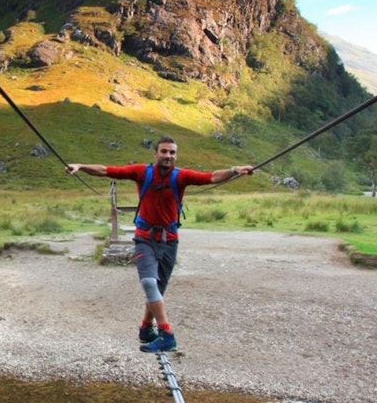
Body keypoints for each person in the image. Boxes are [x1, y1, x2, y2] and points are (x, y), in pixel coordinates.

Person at [65, 136, 254, 353]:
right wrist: (80, 166)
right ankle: (167, 334)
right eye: (164, 152)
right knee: (148, 282)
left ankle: (146, 328)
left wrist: (235, 170)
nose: (168, 156)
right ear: (155, 154)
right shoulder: (141, 172)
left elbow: (211, 177)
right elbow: (107, 170)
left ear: (176, 156)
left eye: (172, 153)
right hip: (145, 237)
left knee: (157, 289)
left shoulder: (181, 176)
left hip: (170, 241)